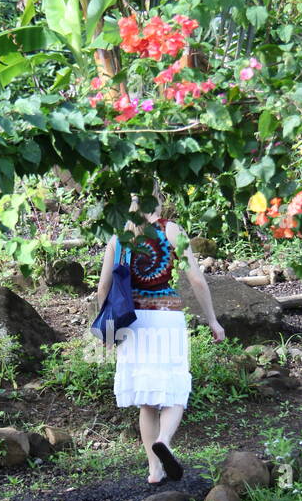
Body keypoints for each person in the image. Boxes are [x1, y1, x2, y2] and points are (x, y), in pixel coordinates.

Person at [96, 195, 225, 483]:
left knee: (146, 399)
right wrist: (213, 320)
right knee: (174, 388)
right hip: (166, 318)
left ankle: (154, 470)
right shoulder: (171, 230)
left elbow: (103, 286)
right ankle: (164, 440)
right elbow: (196, 280)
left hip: (132, 322)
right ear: (157, 200)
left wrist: (107, 330)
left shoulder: (118, 239)